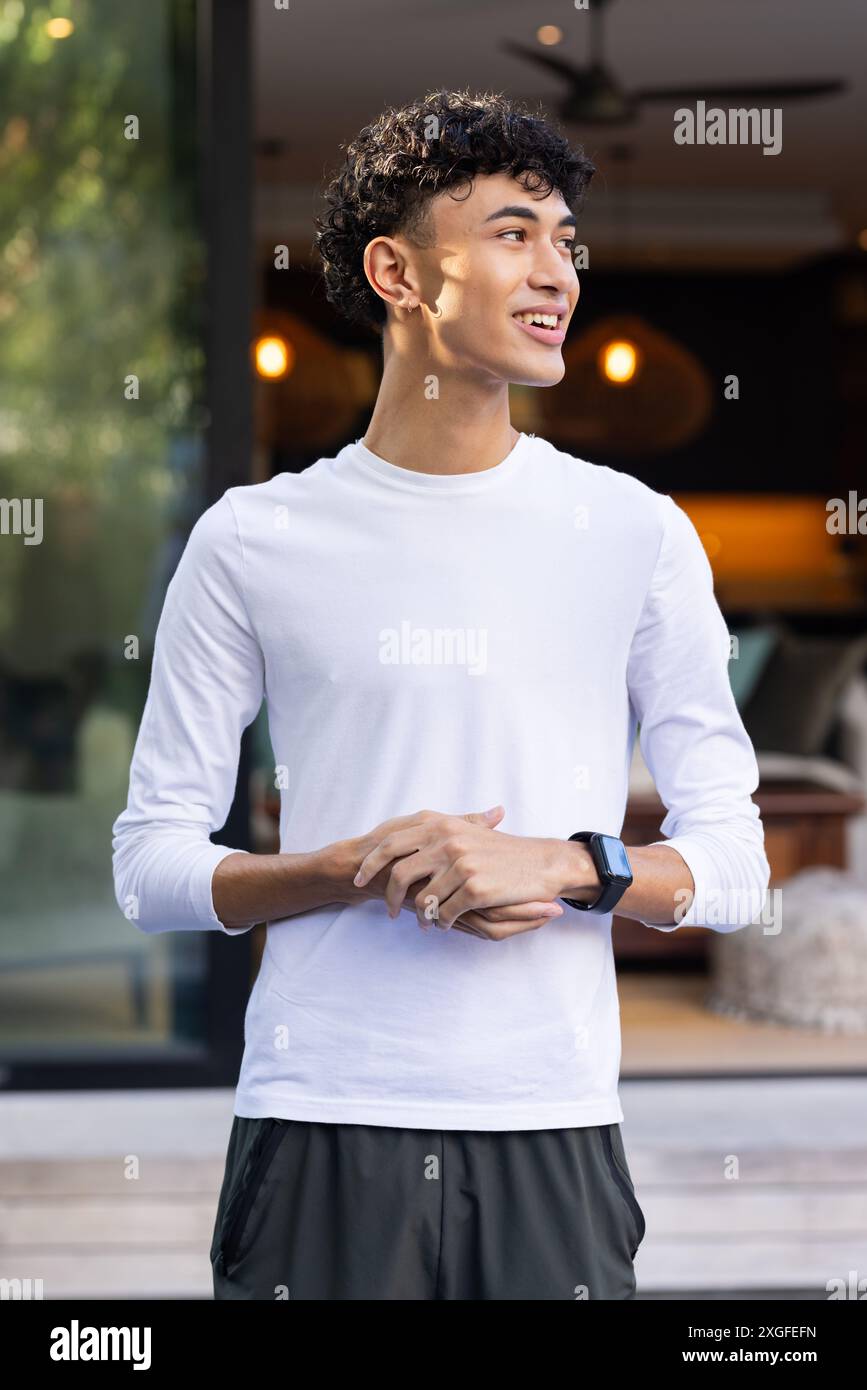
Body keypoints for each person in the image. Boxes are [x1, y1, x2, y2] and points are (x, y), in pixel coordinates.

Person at [111, 88, 769, 1300]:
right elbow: (150, 869)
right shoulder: (254, 538)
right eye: (515, 232)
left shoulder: (635, 533)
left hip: (553, 1130)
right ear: (398, 272)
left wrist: (574, 865)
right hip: (319, 1126)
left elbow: (736, 866)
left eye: (567, 242)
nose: (557, 271)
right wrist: (349, 865)